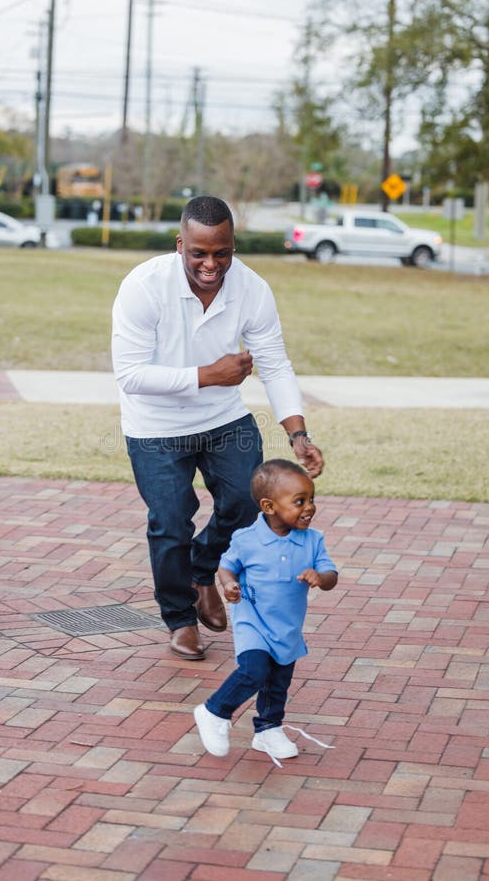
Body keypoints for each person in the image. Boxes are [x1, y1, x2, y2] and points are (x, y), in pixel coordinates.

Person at [111, 195, 324, 660]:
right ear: (180, 244)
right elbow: (129, 374)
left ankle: (202, 569)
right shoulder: (143, 286)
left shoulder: (251, 287)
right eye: (199, 253)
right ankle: (181, 618)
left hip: (223, 418)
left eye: (221, 252)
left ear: (232, 245)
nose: (211, 264)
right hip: (155, 425)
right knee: (169, 522)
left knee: (250, 499)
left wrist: (298, 433)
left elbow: (274, 363)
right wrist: (210, 374)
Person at [193, 459, 338, 764]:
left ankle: (268, 730)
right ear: (269, 506)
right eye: (299, 501)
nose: (309, 507)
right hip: (253, 621)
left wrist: (320, 577)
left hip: (286, 627)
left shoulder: (314, 540)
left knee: (278, 682)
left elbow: (331, 575)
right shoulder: (247, 539)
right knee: (254, 671)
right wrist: (229, 585)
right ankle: (213, 711)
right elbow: (226, 567)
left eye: (312, 499)